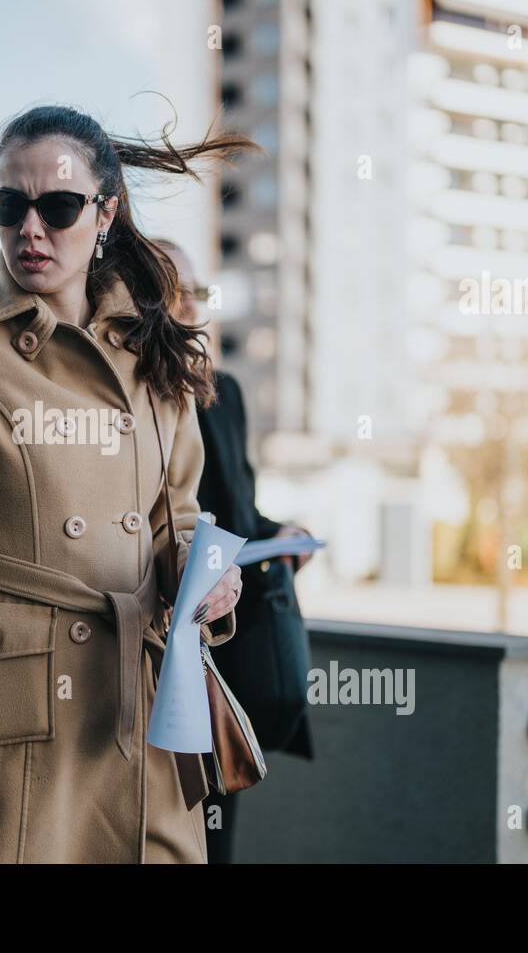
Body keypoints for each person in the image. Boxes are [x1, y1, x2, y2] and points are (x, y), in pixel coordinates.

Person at [0, 104, 259, 863]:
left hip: (138, 722)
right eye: (9, 205)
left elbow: (175, 518)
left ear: (104, 212)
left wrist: (209, 576)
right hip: (9, 734)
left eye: (59, 206)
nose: (30, 229)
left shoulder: (154, 348)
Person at [156, 238, 316, 864]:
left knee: (215, 823)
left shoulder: (224, 392)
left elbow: (233, 511)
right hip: (169, 643)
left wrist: (280, 535)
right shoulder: (157, 394)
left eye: (200, 293)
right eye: (179, 294)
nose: (195, 307)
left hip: (223, 642)